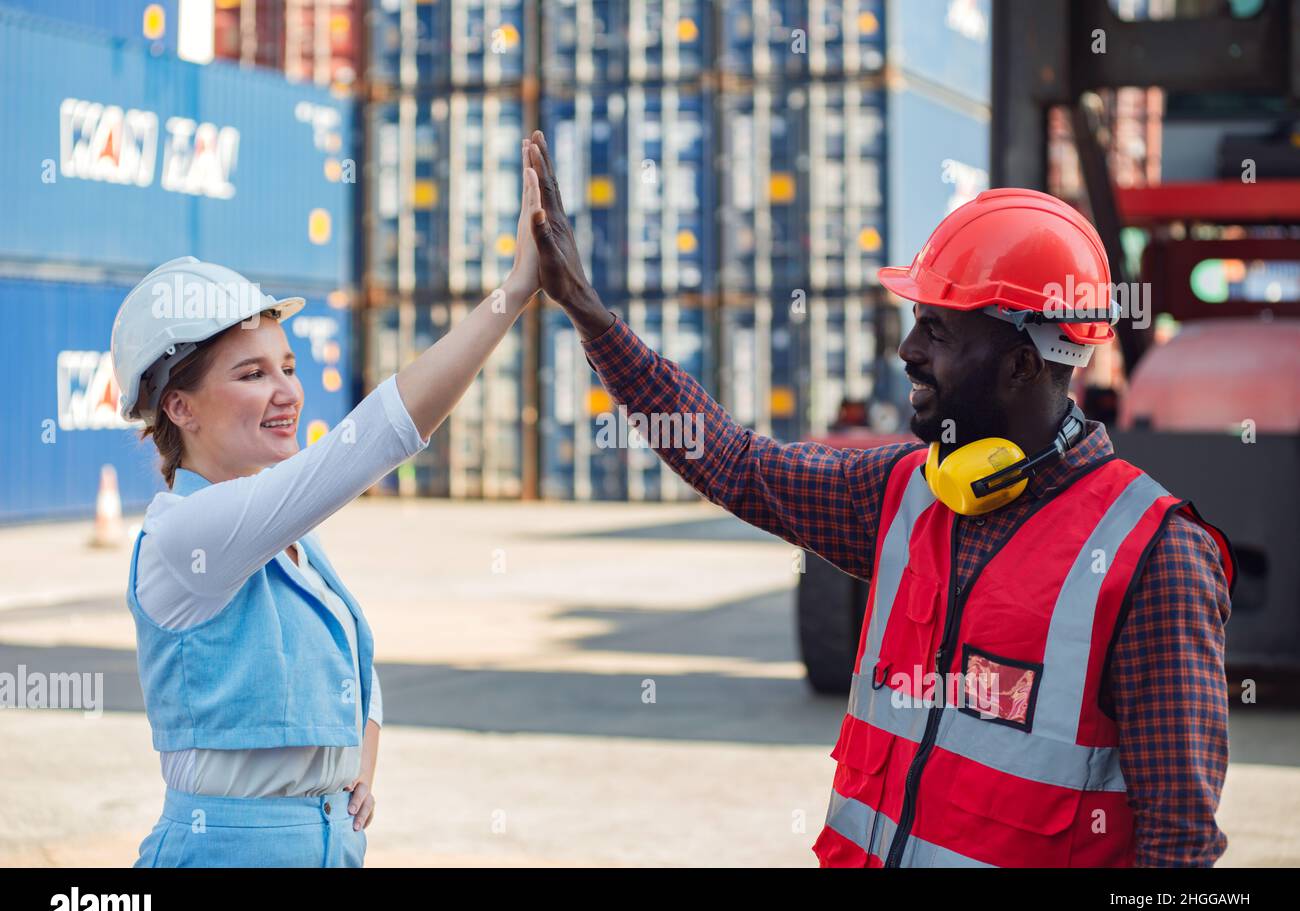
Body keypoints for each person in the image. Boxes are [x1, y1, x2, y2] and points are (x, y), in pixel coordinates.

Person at [521, 129, 1237, 868]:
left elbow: (1178, 847)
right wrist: (589, 314)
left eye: (937, 329)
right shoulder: (903, 494)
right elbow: (736, 462)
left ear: (1022, 364)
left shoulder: (1153, 559)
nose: (908, 352)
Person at [116, 142, 544, 867]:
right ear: (179, 406)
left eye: (288, 366)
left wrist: (353, 778)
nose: (287, 392)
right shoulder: (185, 536)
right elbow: (371, 440)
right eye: (252, 373)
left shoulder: (295, 546)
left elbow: (357, 670)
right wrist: (513, 293)